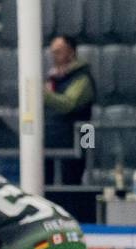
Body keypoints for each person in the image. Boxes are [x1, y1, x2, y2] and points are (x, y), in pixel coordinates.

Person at [44, 34, 95, 187]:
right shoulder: (54, 77)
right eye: (53, 51)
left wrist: (43, 94)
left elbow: (68, 104)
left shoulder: (82, 78)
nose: (54, 55)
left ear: (71, 52)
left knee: (71, 185)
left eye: (59, 51)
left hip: (76, 143)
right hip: (52, 141)